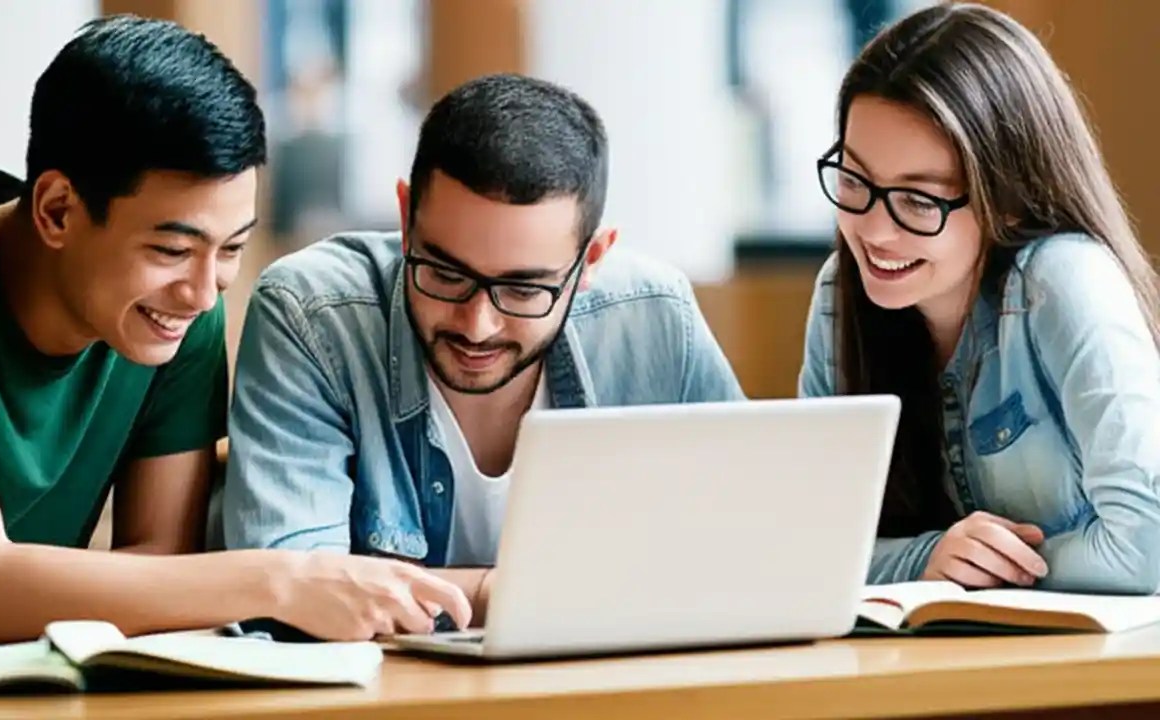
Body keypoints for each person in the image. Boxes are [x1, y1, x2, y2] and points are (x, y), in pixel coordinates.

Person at [0, 14, 470, 655]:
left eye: (231, 248)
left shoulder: (177, 316)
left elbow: (162, 561)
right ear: (57, 210)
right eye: (170, 250)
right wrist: (284, 580)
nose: (203, 292)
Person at [219, 73, 744, 634]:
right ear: (405, 218)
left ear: (591, 259)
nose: (477, 325)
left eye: (523, 289)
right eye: (446, 274)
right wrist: (545, 593)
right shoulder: (314, 314)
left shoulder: (652, 318)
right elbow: (293, 599)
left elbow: (747, 548)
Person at [799, 3, 1160, 594]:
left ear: (1008, 199)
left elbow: (1147, 545)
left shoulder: (1063, 280)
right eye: (855, 181)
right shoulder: (840, 295)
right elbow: (809, 544)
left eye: (919, 201)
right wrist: (930, 557)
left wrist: (985, 567)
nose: (874, 231)